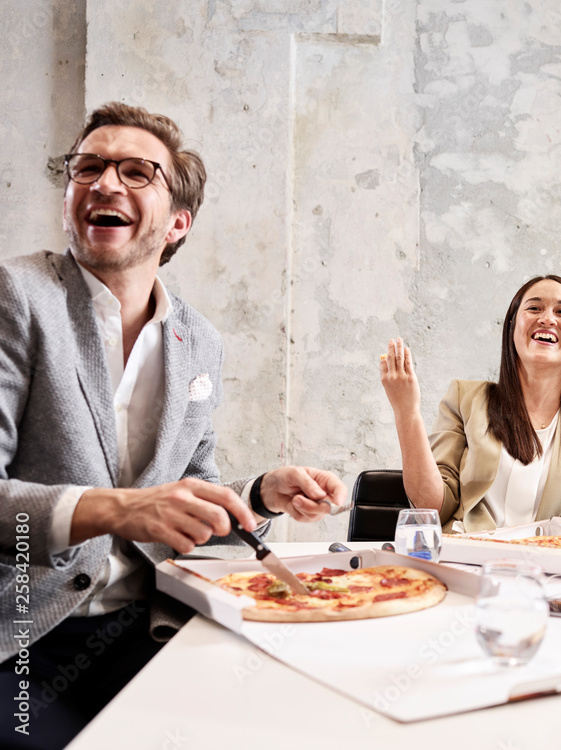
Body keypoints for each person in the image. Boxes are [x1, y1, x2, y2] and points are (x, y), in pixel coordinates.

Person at [0, 102, 349, 748]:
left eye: (137, 172)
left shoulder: (200, 342)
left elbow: (188, 491)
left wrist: (260, 495)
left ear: (177, 222)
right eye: (90, 167)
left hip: (157, 629)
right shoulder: (16, 295)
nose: (105, 183)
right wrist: (119, 510)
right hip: (26, 635)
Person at [380, 275, 561, 533]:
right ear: (512, 327)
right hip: (464, 558)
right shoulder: (465, 399)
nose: (547, 318)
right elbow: (431, 507)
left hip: (546, 568)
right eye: (534, 308)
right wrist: (407, 412)